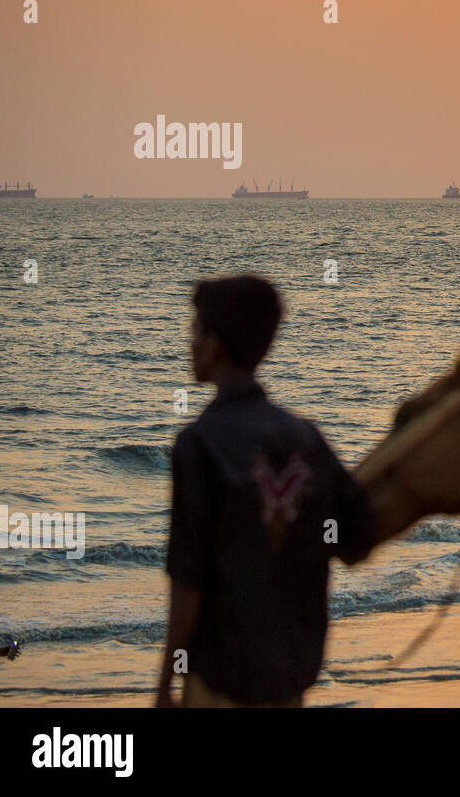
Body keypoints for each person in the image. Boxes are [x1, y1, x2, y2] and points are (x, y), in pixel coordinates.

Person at [156, 274, 375, 707]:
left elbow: (188, 581)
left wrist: (165, 684)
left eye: (195, 333)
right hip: (287, 683)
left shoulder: (199, 443)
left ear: (216, 345)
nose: (190, 345)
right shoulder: (308, 438)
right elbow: (358, 538)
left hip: (219, 685)